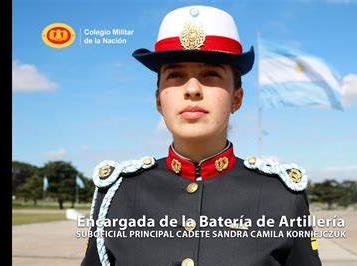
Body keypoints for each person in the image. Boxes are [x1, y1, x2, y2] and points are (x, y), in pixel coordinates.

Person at [82, 5, 322, 266]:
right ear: (159, 100)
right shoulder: (118, 193)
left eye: (210, 74)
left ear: (236, 98)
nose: (193, 89)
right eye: (175, 75)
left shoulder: (282, 196)